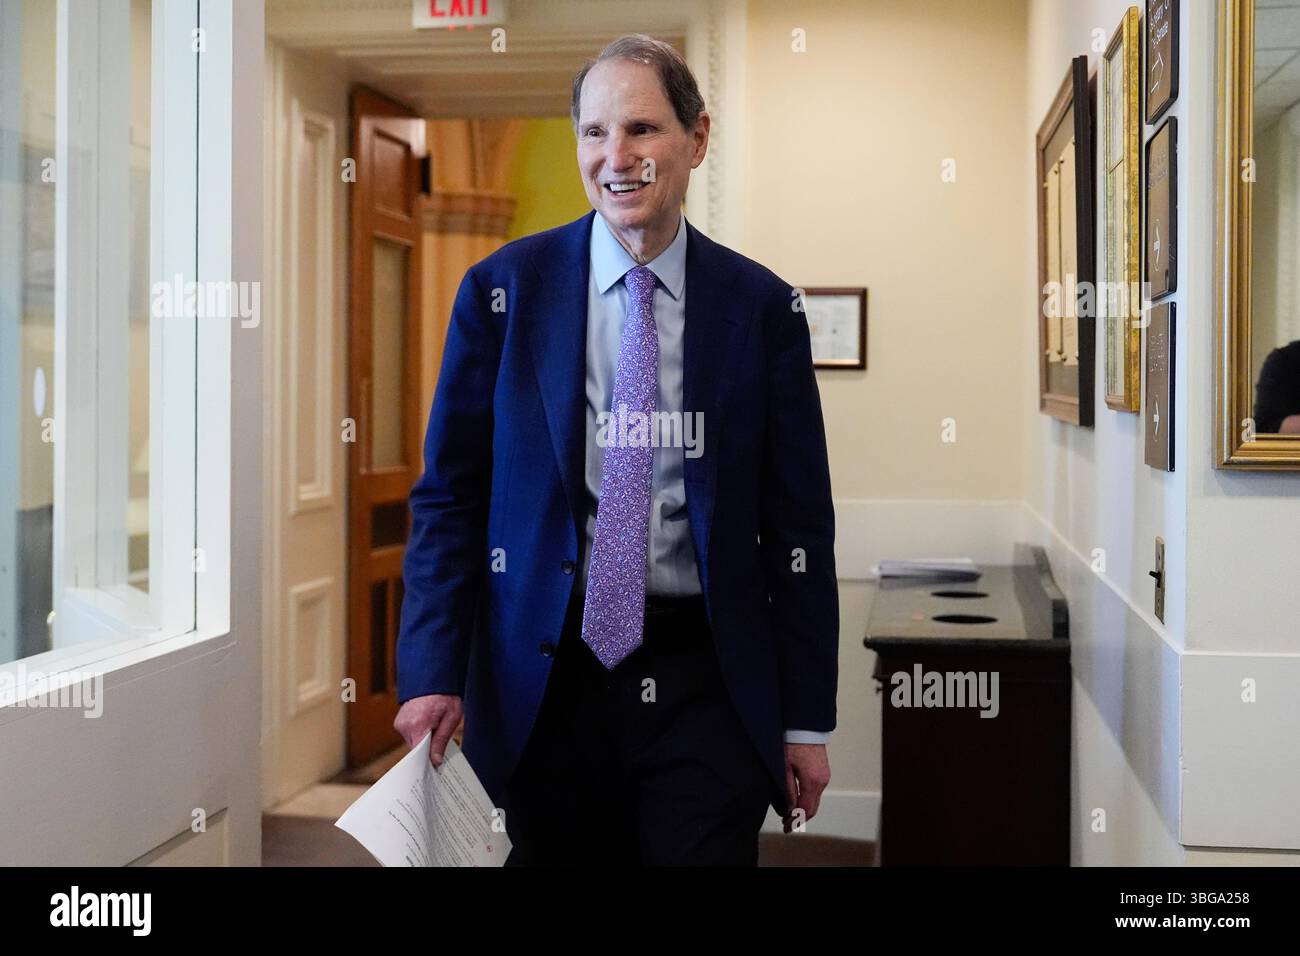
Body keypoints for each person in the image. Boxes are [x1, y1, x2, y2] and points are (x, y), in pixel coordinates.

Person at [393, 33, 838, 866]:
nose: (615, 156)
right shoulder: (503, 291)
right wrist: (430, 671)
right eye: (594, 133)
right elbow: (450, 497)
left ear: (696, 140)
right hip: (543, 676)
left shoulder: (762, 309)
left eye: (641, 129)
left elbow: (798, 526)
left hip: (703, 676)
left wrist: (806, 720)